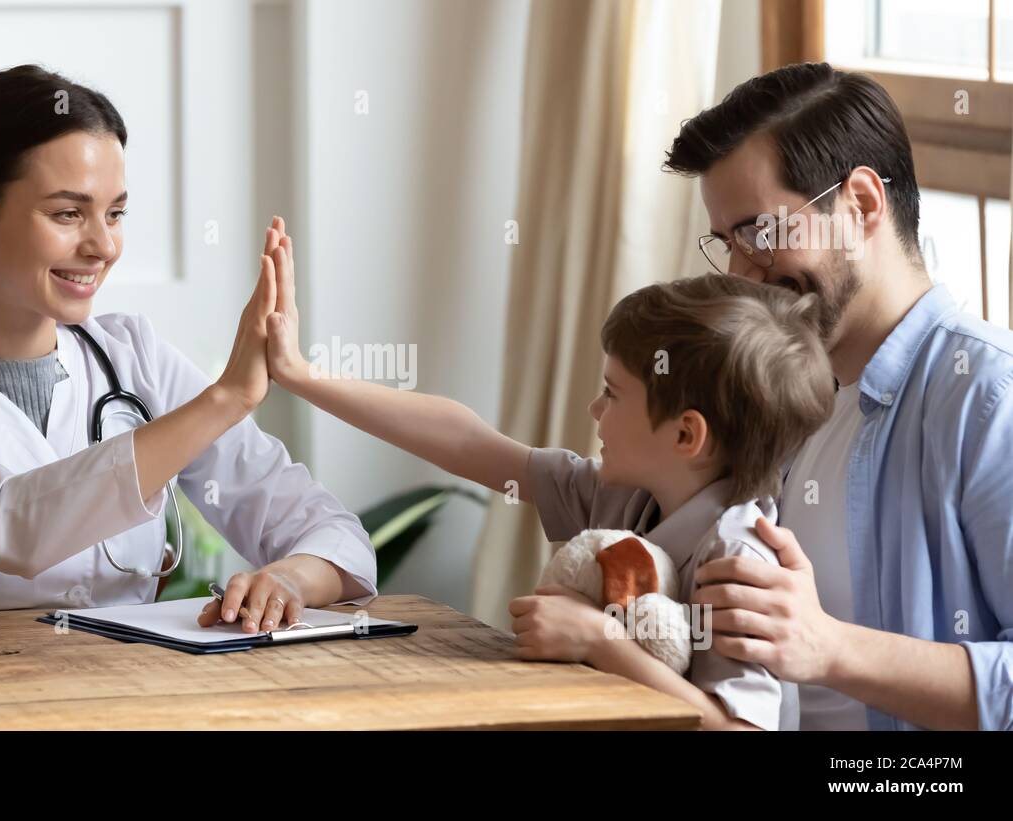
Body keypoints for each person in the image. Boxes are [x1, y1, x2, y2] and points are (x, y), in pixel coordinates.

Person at [0, 65, 376, 628]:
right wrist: (226, 398)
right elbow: (11, 525)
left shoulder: (137, 360)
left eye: (115, 213)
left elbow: (334, 536)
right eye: (67, 213)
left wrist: (289, 579)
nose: (103, 245)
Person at [255, 217, 835, 729]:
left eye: (612, 394)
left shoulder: (740, 562)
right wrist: (301, 375)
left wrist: (598, 639)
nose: (595, 410)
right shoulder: (622, 497)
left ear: (686, 435)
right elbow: (465, 440)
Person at [667, 62, 1013, 730]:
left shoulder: (987, 397)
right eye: (726, 242)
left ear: (860, 204)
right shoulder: (781, 396)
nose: (742, 273)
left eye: (761, 233)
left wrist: (828, 647)